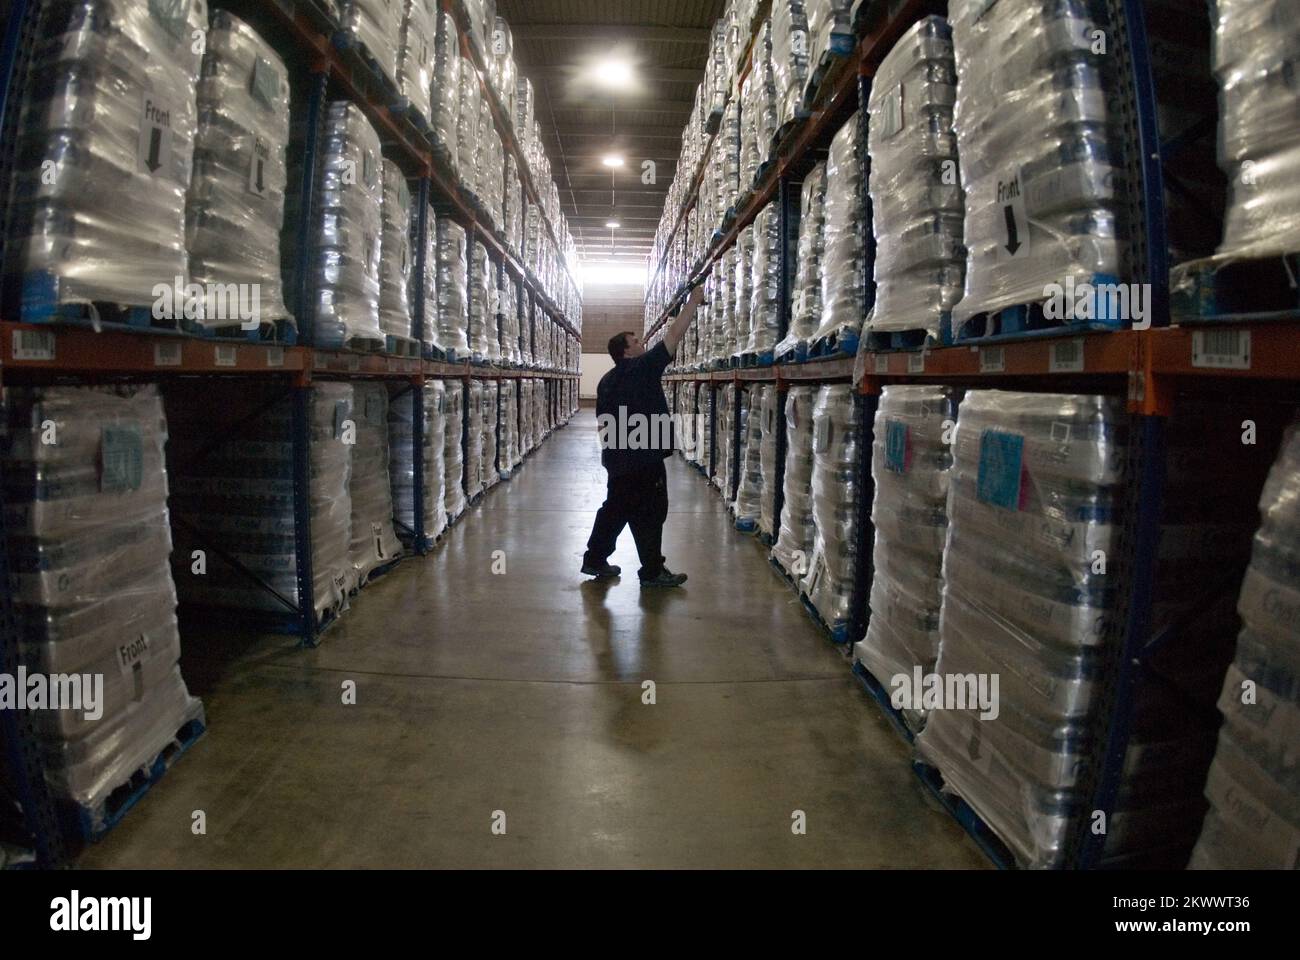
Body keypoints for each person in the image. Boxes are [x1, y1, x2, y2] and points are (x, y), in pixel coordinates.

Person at [581, 283, 707, 588]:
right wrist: (693, 302)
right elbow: (674, 335)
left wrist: (614, 455)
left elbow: (602, 423)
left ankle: (595, 558)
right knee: (651, 511)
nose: (642, 343)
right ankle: (651, 571)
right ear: (626, 351)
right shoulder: (644, 367)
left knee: (616, 507)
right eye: (636, 340)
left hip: (618, 459)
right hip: (644, 458)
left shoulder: (606, 381)